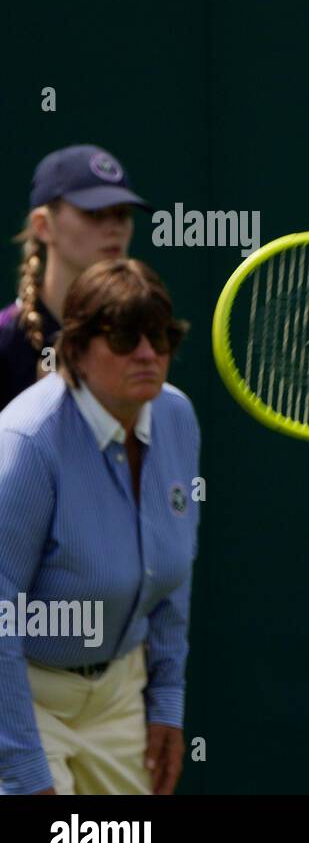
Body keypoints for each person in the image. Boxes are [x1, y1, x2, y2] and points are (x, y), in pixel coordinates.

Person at [0, 258, 199, 795]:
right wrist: (20, 765)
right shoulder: (26, 442)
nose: (147, 354)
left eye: (159, 337)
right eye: (124, 337)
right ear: (78, 350)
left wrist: (167, 704)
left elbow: (172, 579)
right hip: (25, 702)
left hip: (118, 698)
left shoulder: (177, 417)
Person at [0, 144, 151, 411]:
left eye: (122, 213)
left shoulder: (143, 340)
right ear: (43, 225)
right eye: (93, 213)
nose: (114, 227)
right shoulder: (7, 342)